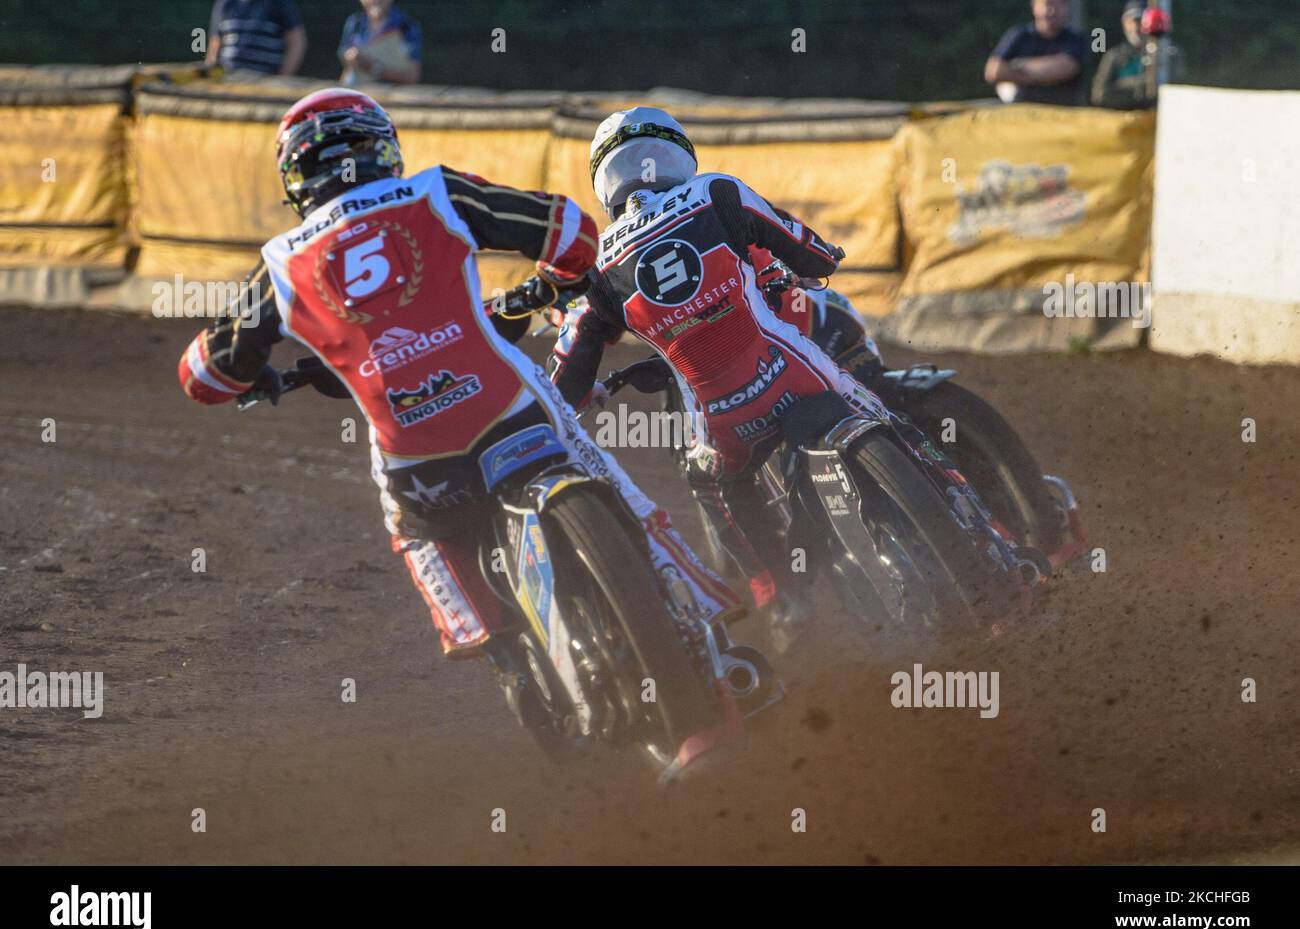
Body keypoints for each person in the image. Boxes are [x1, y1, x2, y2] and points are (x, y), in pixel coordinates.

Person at [176, 89, 740, 761]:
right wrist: (559, 278)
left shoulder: (278, 268)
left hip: (421, 467)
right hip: (508, 414)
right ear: (382, 147)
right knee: (599, 468)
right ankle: (705, 624)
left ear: (295, 178)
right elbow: (569, 232)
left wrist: (251, 375)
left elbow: (206, 378)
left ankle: (490, 637)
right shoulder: (435, 195)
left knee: (416, 537)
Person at [548, 107, 886, 629]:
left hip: (722, 415)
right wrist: (821, 258)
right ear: (678, 152)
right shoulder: (716, 191)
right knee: (877, 411)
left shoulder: (601, 267)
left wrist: (566, 397)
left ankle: (779, 593)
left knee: (714, 483)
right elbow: (816, 258)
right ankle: (957, 495)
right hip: (794, 365)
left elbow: (565, 381)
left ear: (605, 182)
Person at [984, 0, 1089, 106]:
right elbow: (993, 72)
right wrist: (1041, 75)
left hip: (1064, 115)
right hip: (1021, 113)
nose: (1052, 10)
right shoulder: (1019, 35)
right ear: (1034, 6)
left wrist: (1018, 65)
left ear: (1066, 7)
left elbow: (1064, 68)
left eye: (1059, 4)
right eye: (1048, 4)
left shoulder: (1075, 39)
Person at [1092, 0, 1181, 109]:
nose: (1135, 27)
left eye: (1141, 21)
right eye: (1131, 22)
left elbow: (1176, 89)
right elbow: (1099, 94)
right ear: (1124, 23)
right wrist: (1139, 85)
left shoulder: (1169, 54)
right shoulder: (1114, 56)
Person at [205, 0, 307, 76]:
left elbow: (297, 42)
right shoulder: (225, 3)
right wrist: (210, 74)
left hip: (265, 82)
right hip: (229, 79)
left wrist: (282, 77)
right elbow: (215, 43)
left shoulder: (279, 3)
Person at [338, 0, 422, 85]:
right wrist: (351, 59)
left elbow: (412, 77)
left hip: (392, 95)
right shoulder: (354, 23)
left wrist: (373, 67)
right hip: (358, 90)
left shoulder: (406, 26)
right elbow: (347, 70)